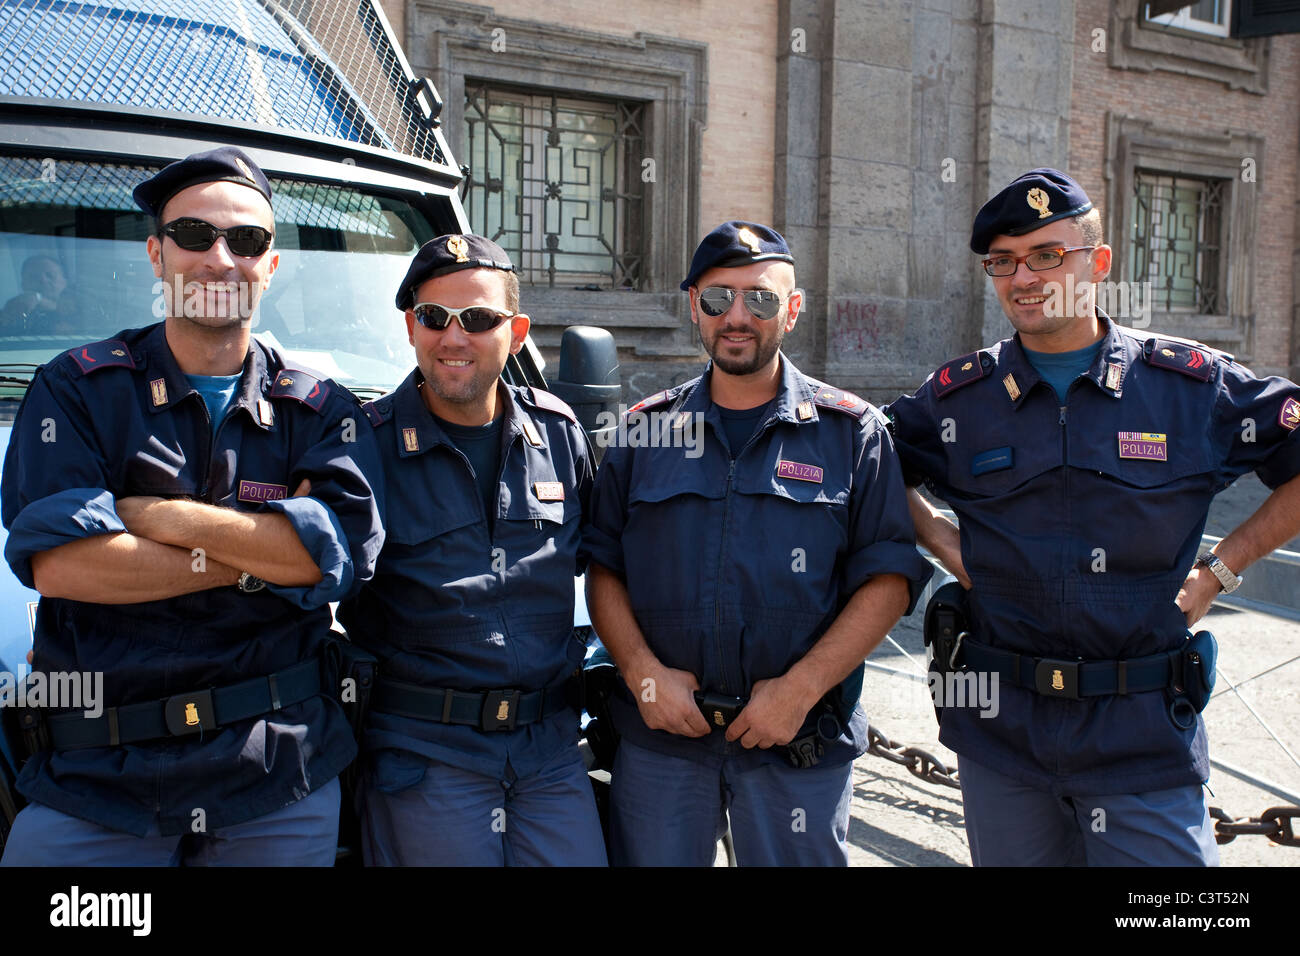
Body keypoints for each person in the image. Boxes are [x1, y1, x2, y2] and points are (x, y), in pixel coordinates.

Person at [887, 167, 1300, 866]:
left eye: (1048, 255)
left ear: (1098, 263)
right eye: (1004, 262)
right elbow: (872, 465)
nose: (1025, 277)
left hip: (1140, 737)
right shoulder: (959, 400)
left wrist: (1220, 571)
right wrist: (944, 541)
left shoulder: (1188, 389)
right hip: (1003, 733)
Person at [0, 147, 384, 866]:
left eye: (247, 240)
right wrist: (259, 558)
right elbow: (64, 566)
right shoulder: (75, 391)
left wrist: (149, 516)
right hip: (98, 777)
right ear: (156, 253)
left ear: (271, 266)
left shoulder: (322, 409)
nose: (220, 258)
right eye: (194, 235)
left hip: (275, 775)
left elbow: (333, 559)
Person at [583, 220, 933, 866]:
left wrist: (800, 690)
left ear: (793, 310)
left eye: (761, 298)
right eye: (718, 298)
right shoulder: (644, 432)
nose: (737, 316)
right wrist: (643, 676)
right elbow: (604, 569)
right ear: (695, 307)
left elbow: (887, 582)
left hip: (796, 741)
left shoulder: (852, 435)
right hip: (664, 743)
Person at [338, 233, 606, 866]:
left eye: (479, 320)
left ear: (515, 332)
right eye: (435, 317)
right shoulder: (362, 446)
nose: (453, 338)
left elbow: (609, 570)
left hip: (549, 752)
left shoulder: (560, 436)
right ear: (410, 326)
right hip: (428, 752)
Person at [0, 255, 67, 332]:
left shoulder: (82, 310)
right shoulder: (13, 307)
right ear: (23, 285)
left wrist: (39, 299)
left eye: (50, 275)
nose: (43, 280)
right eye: (34, 277)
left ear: (64, 282)